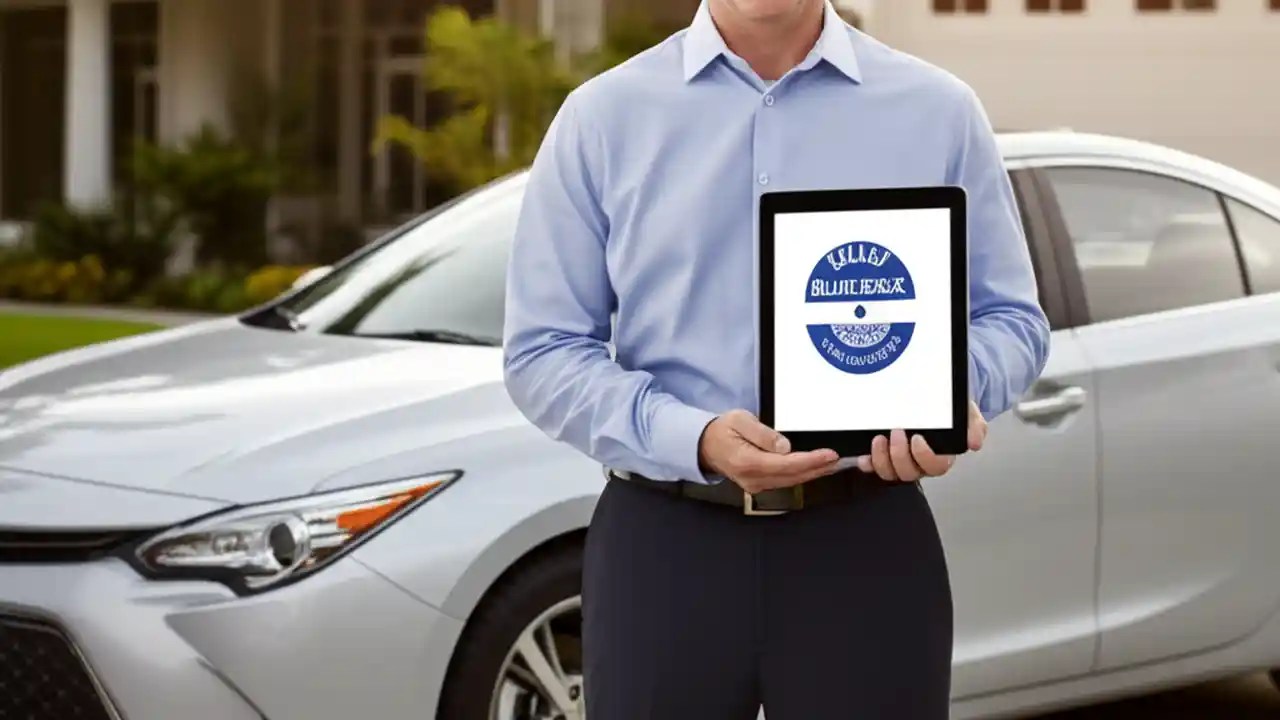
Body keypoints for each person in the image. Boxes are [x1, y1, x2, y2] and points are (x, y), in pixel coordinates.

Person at [502, 0, 1050, 716]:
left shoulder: (937, 111)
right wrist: (691, 437)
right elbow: (543, 351)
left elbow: (1012, 320)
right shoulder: (602, 119)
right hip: (665, 548)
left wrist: (940, 396)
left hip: (865, 540)